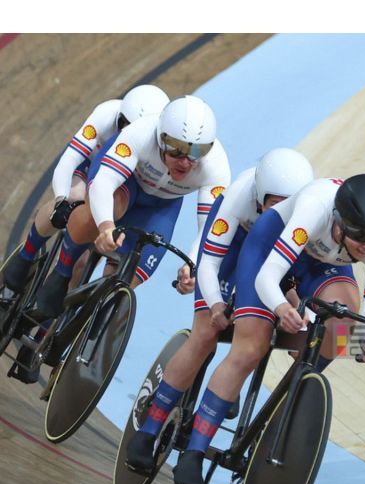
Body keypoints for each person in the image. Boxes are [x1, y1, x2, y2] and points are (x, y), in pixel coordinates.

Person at [148, 174, 365, 484]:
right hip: (270, 248)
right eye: (362, 236)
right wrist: (281, 308)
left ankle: (288, 399)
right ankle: (194, 451)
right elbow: (269, 276)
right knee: (252, 346)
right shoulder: (314, 207)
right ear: (341, 221)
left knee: (344, 321)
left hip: (321, 264)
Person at [125, 148, 314, 471]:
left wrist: (311, 319)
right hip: (233, 246)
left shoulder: (310, 214)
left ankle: (227, 388)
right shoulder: (237, 198)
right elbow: (209, 264)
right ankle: (149, 429)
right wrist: (214, 305)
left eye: (289, 206)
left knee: (292, 336)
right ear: (258, 198)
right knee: (206, 333)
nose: (280, 215)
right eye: (274, 205)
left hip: (274, 254)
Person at [33, 95, 231, 318]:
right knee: (98, 213)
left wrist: (193, 266)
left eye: (196, 152)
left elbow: (210, 228)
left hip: (160, 207)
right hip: (128, 184)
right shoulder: (141, 132)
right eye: (177, 149)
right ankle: (62, 271)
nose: (185, 161)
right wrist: (106, 225)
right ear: (161, 138)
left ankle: (80, 325)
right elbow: (104, 182)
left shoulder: (216, 166)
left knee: (126, 282)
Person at [2, 84, 170, 292]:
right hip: (90, 167)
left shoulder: (154, 147)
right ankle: (26, 254)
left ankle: (52, 319)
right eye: (124, 126)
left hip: (123, 185)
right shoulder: (105, 114)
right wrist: (61, 199)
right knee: (74, 196)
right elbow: (70, 158)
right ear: (119, 116)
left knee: (81, 263)